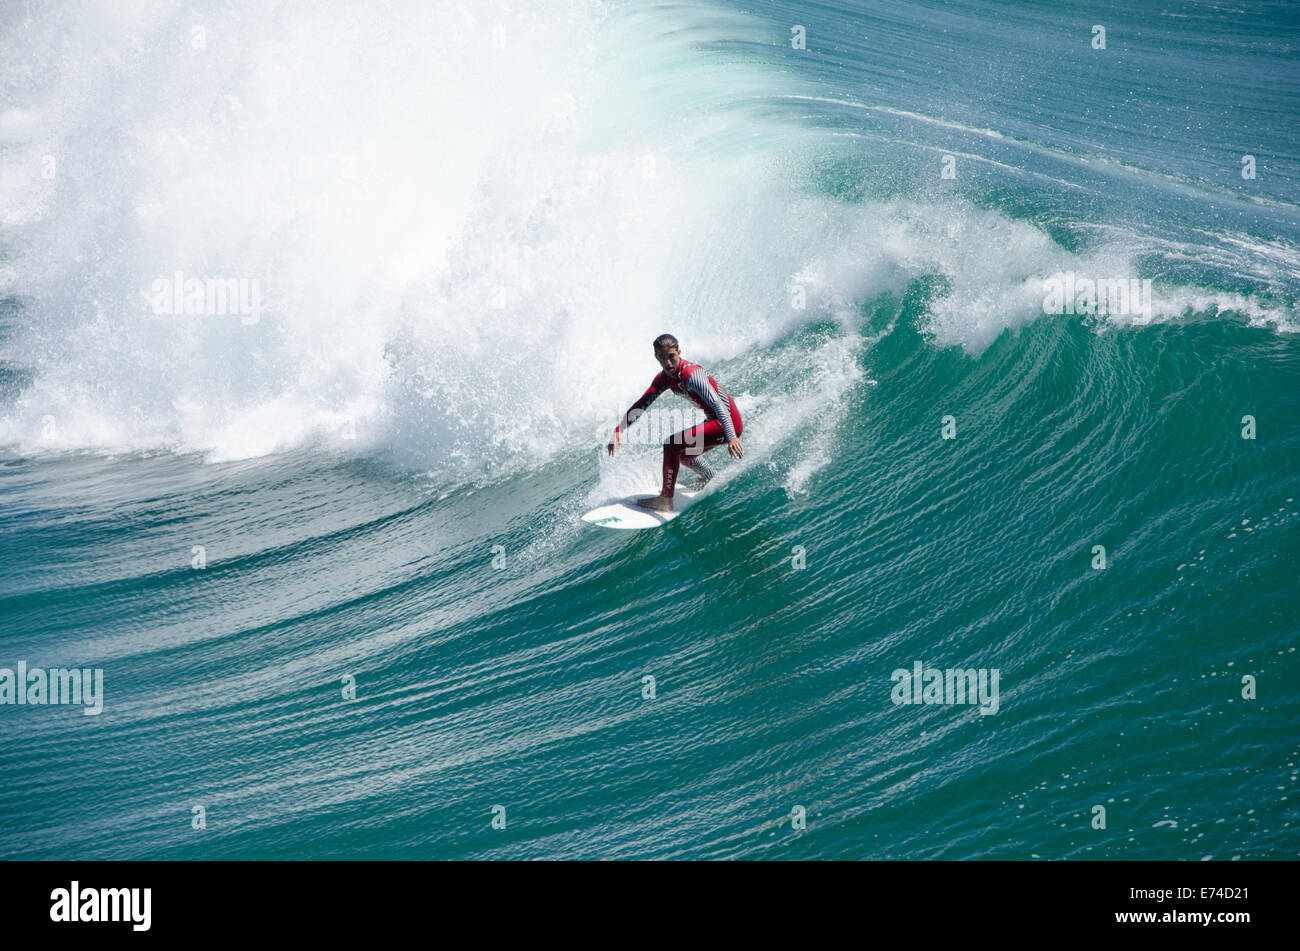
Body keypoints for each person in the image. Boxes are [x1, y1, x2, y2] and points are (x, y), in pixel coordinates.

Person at [606, 334, 744, 512]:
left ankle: (665, 500)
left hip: (726, 422)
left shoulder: (692, 375)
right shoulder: (665, 379)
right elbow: (642, 404)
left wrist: (731, 437)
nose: (668, 363)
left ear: (679, 352)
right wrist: (619, 429)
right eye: (662, 358)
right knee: (683, 454)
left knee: (671, 445)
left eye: (672, 356)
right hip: (715, 421)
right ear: (656, 357)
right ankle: (708, 476)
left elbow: (718, 404)